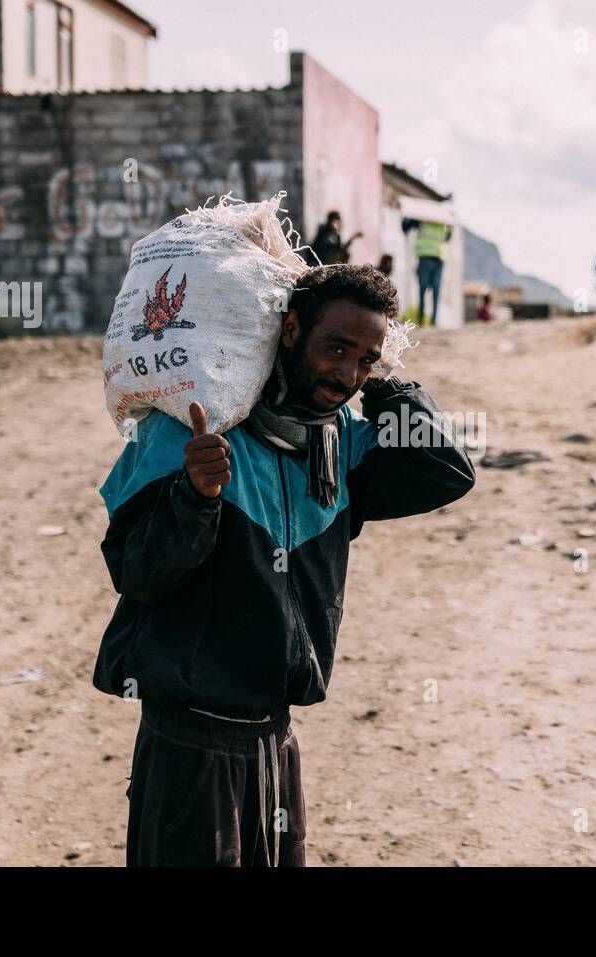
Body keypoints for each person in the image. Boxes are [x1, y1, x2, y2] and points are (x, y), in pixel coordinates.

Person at [93, 264, 476, 867]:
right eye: (337, 349)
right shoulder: (188, 432)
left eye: (366, 358)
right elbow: (137, 572)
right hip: (188, 744)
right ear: (291, 331)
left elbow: (447, 472)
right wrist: (195, 497)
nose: (347, 374)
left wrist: (387, 387)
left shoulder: (340, 448)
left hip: (275, 739)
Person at [401, 217, 453, 326]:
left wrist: (406, 219)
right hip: (437, 258)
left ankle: (422, 320)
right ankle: (432, 321)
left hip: (427, 258)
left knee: (423, 289)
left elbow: (405, 227)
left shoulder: (422, 216)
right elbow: (448, 236)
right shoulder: (442, 218)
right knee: (435, 291)